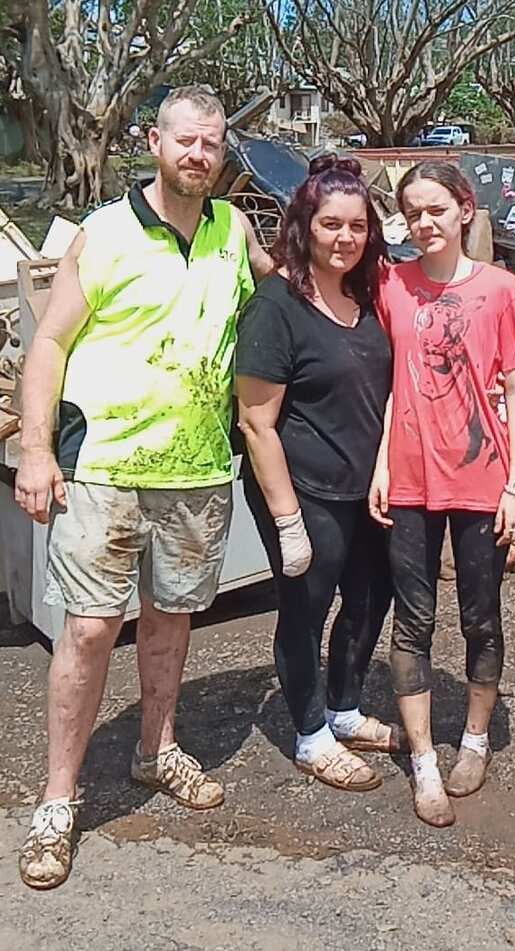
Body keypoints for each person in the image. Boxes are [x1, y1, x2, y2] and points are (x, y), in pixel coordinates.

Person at [14, 85, 273, 890]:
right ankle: (58, 799)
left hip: (198, 471)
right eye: (185, 140)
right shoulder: (104, 233)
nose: (199, 154)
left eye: (212, 142)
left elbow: (290, 296)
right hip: (106, 470)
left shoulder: (234, 232)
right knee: (90, 630)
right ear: (154, 143)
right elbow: (50, 343)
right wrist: (35, 449)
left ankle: (156, 748)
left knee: (171, 617)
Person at [369, 161, 515, 828]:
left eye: (436, 209)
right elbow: (390, 382)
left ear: (465, 209)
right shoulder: (391, 286)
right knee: (412, 621)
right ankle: (423, 761)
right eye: (412, 212)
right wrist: (382, 465)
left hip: (481, 477)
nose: (424, 223)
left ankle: (474, 739)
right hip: (410, 478)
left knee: (480, 617)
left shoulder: (500, 289)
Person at [235, 155, 403, 791]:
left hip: (367, 486)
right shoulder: (276, 306)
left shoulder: (365, 294)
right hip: (304, 489)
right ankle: (310, 735)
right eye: (331, 224)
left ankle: (345, 708)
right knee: (306, 607)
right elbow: (256, 423)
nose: (345, 238)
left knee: (371, 597)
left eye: (358, 226)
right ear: (304, 225)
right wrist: (287, 522)